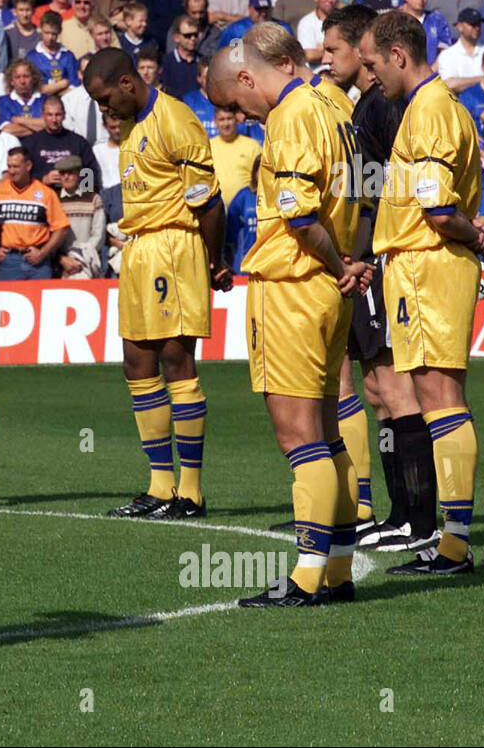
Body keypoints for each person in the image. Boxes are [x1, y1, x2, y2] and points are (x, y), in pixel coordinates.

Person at [205, 39, 368, 604]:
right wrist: (351, 259)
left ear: (249, 79)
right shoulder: (335, 106)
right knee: (327, 433)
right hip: (329, 291)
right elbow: (368, 192)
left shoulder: (292, 115)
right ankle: (339, 571)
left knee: (300, 437)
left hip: (295, 287)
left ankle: (304, 577)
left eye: (235, 103)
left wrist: (338, 259)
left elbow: (298, 213)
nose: (242, 117)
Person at [357, 10, 484, 575]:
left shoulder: (432, 110)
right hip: (417, 265)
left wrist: (477, 235)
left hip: (429, 265)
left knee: (441, 400)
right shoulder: (424, 107)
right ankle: (450, 541)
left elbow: (439, 210)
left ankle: (455, 545)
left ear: (398, 55)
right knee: (434, 399)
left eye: (372, 65)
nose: (372, 77)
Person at [82, 45, 228, 519]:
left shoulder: (175, 118)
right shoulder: (130, 127)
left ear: (128, 83)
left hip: (173, 245)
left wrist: (214, 260)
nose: (104, 110)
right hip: (140, 249)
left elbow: (208, 202)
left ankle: (191, 492)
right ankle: (159, 486)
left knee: (175, 359)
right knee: (135, 361)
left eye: (105, 100)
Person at [319, 4, 435, 551]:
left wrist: (361, 256)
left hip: (384, 257)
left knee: (395, 386)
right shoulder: (364, 106)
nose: (328, 59)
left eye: (337, 50)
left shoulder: (379, 108)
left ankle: (419, 518)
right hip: (374, 254)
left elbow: (380, 191)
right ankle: (398, 512)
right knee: (377, 388)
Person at [0, 146, 71, 278]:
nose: (11, 171)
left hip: (38, 262)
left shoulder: (45, 193)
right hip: (8, 261)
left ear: (28, 165)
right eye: (9, 166)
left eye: (16, 166)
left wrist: (43, 253)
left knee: (41, 298)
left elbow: (62, 228)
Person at [208, 103, 260, 208]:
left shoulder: (252, 145)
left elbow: (260, 177)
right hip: (216, 209)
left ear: (236, 119)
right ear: (215, 122)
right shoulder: (208, 147)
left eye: (229, 118)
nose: (226, 123)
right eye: (221, 119)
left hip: (245, 209)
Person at [434, 7, 484, 93]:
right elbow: (449, 84)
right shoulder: (447, 55)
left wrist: (462, 83)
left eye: (478, 24)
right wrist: (483, 79)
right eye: (472, 24)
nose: (477, 28)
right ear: (460, 26)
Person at [224, 153, 258, 273]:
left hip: (271, 261)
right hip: (245, 263)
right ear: (254, 173)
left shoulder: (278, 197)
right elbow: (230, 235)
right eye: (260, 171)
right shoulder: (244, 196)